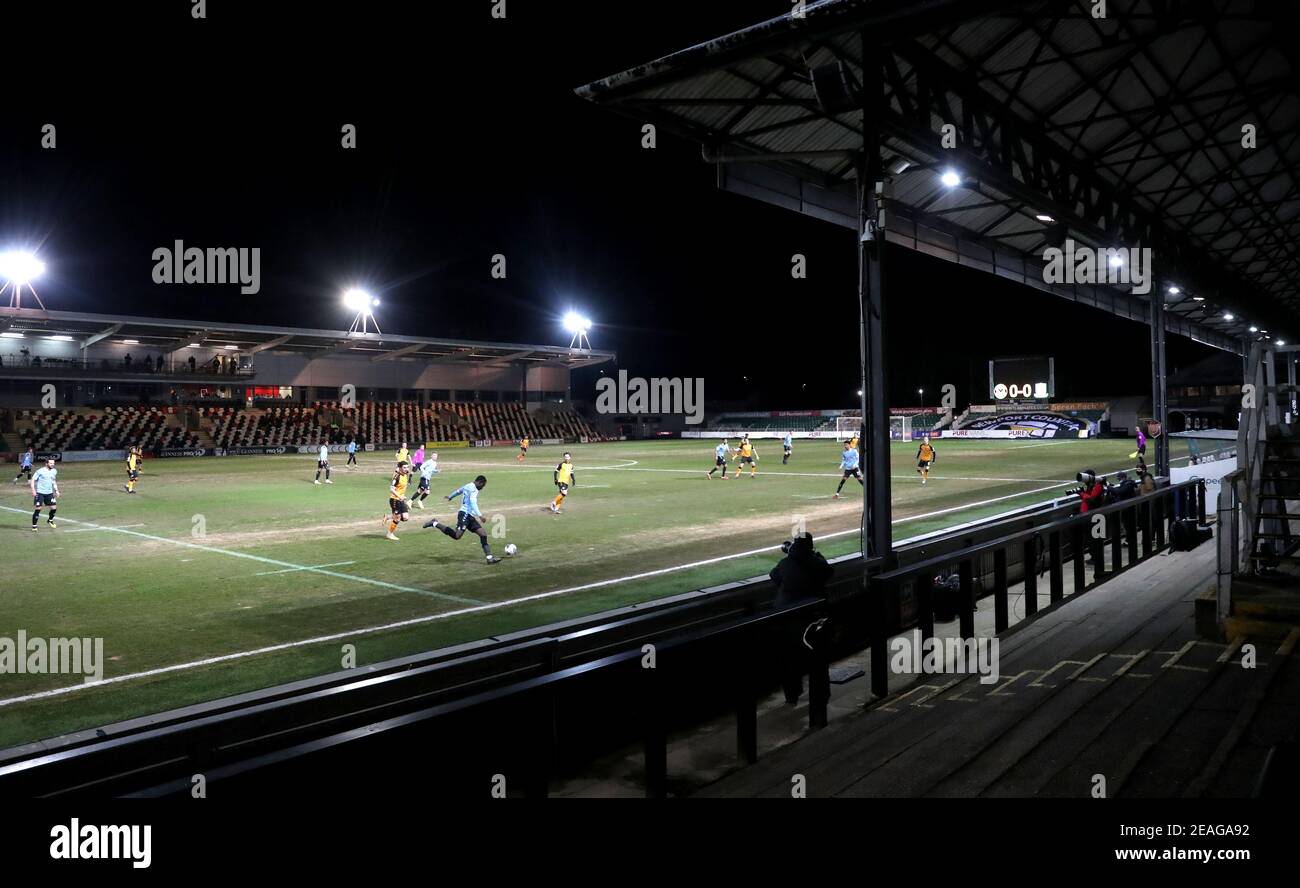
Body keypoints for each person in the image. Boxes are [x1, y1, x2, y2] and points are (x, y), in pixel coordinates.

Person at [769, 533, 834, 704]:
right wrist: (818, 557)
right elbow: (828, 572)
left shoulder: (786, 563)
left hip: (786, 618)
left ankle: (792, 695)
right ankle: (820, 697)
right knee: (818, 659)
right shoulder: (816, 563)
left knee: (789, 658)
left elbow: (774, 575)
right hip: (811, 619)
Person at [423, 475, 501, 564]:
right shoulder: (473, 490)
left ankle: (489, 558)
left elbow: (458, 491)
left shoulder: (468, 485)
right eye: (482, 486)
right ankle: (434, 523)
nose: (482, 488)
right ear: (479, 482)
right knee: (457, 536)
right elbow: (473, 503)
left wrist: (450, 496)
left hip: (470, 516)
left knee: (483, 534)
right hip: (464, 514)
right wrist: (480, 516)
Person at [384, 461, 413, 541]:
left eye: (407, 467)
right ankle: (389, 534)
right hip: (395, 500)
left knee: (405, 518)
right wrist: (400, 496)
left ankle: (388, 517)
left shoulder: (406, 474)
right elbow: (391, 489)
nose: (406, 469)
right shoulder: (397, 477)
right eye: (404, 467)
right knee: (397, 518)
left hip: (401, 499)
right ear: (400, 468)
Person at [30, 457, 59, 530]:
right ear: (46, 464)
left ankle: (50, 520)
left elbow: (53, 481)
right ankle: (34, 526)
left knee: (54, 508)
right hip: (40, 493)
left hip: (49, 493)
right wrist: (33, 490)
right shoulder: (40, 471)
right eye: (51, 463)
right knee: (38, 508)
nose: (52, 465)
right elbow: (33, 480)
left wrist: (56, 490)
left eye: (53, 463)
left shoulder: (54, 471)